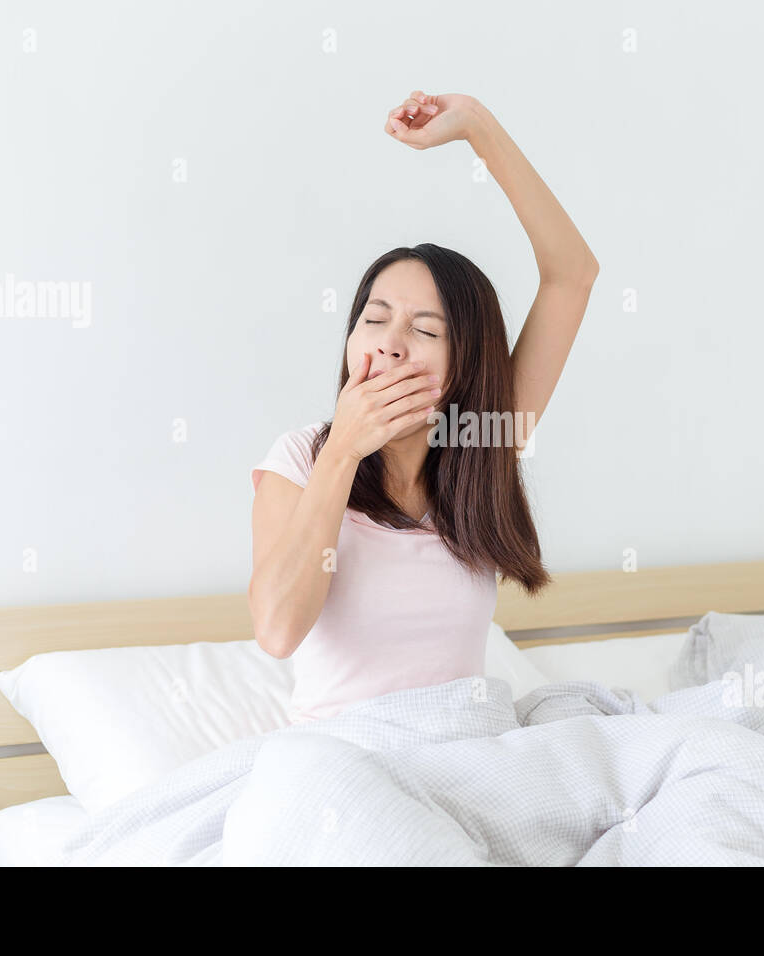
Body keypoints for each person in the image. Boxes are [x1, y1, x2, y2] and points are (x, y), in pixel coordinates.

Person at [248, 91, 599, 724]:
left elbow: (571, 274)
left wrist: (476, 126)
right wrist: (343, 454)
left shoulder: (485, 443)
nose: (389, 341)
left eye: (425, 330)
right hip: (343, 771)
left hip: (462, 753)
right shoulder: (300, 460)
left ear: (464, 366)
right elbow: (276, 630)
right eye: (374, 318)